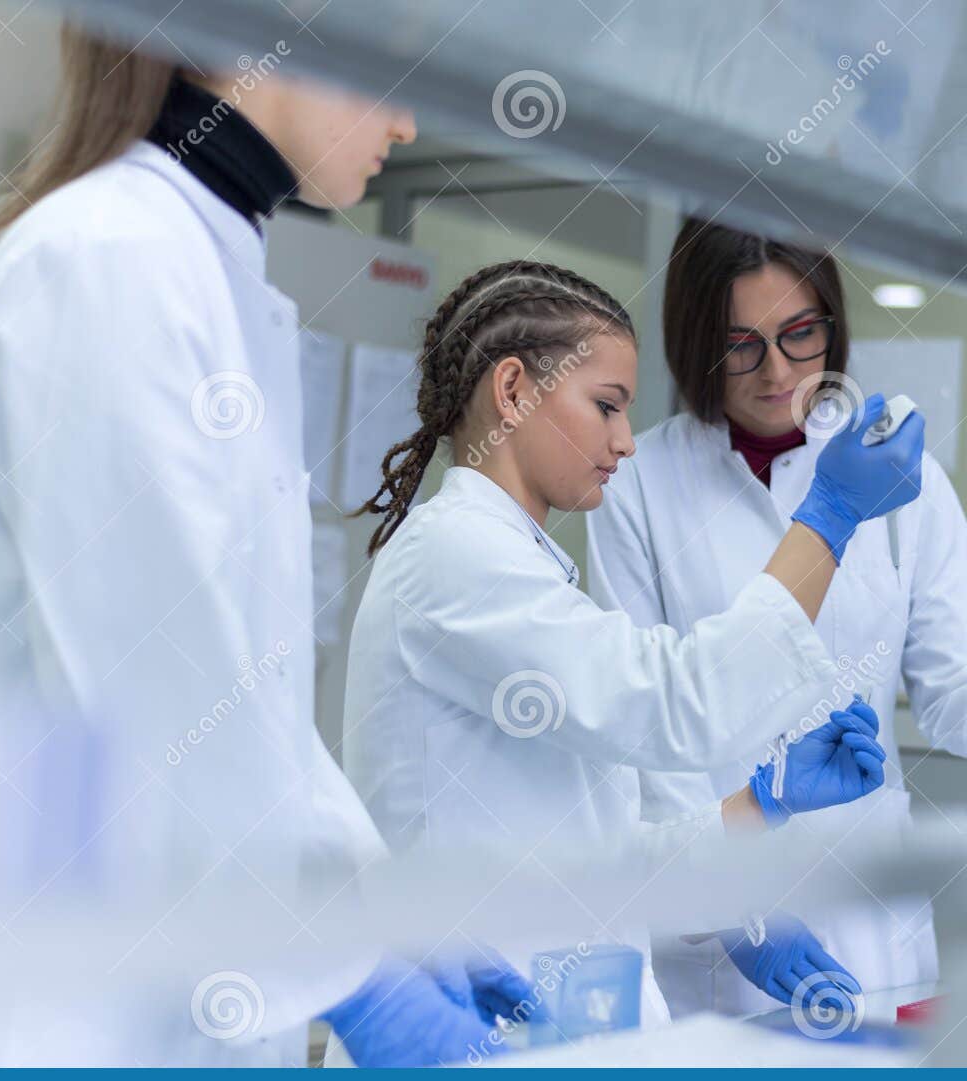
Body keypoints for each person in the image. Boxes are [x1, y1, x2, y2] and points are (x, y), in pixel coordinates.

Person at [0, 25, 505, 1066]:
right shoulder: (111, 259)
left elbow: (245, 705)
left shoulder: (204, 261)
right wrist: (357, 983)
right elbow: (159, 699)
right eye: (393, 76)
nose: (405, 125)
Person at [342, 258, 926, 1025]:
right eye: (607, 406)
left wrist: (762, 803)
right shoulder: (456, 558)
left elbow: (605, 865)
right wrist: (832, 514)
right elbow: (682, 702)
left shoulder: (520, 566)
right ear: (513, 391)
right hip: (477, 1039)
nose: (625, 441)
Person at [586, 219, 967, 1016]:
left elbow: (953, 689)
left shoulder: (905, 479)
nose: (777, 371)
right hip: (715, 936)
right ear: (697, 342)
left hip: (868, 911)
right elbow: (639, 734)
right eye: (742, 345)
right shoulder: (638, 484)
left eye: (801, 334)